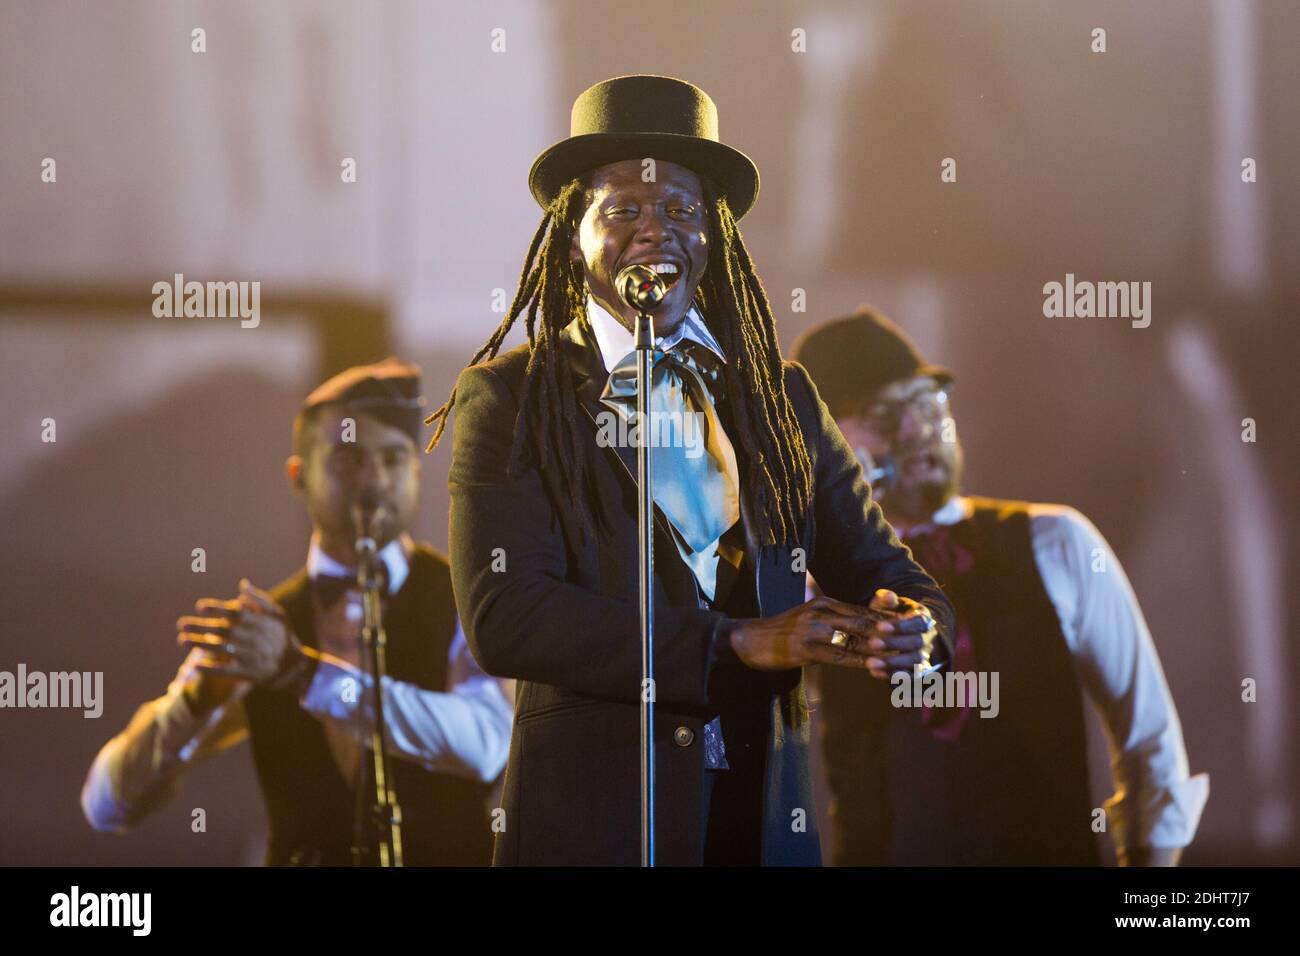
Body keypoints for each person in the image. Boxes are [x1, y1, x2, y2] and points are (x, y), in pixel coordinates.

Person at [424, 75, 954, 866]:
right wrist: (733, 641)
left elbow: (893, 574)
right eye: (623, 210)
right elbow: (508, 615)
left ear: (714, 235)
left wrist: (914, 630)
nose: (655, 229)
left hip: (761, 818)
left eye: (681, 208)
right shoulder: (513, 398)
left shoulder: (779, 399)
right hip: (596, 825)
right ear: (572, 236)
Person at [793, 306, 1210, 866]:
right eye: (880, 414)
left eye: (927, 403)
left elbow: (1149, 744)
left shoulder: (1056, 541)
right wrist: (830, 512)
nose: (917, 430)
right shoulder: (808, 576)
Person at [82, 358, 514, 866]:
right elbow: (106, 806)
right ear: (298, 475)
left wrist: (300, 672)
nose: (374, 479)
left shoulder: (463, 594)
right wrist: (193, 705)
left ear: (417, 473)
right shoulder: (263, 630)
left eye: (393, 458)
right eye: (348, 459)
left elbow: (487, 745)